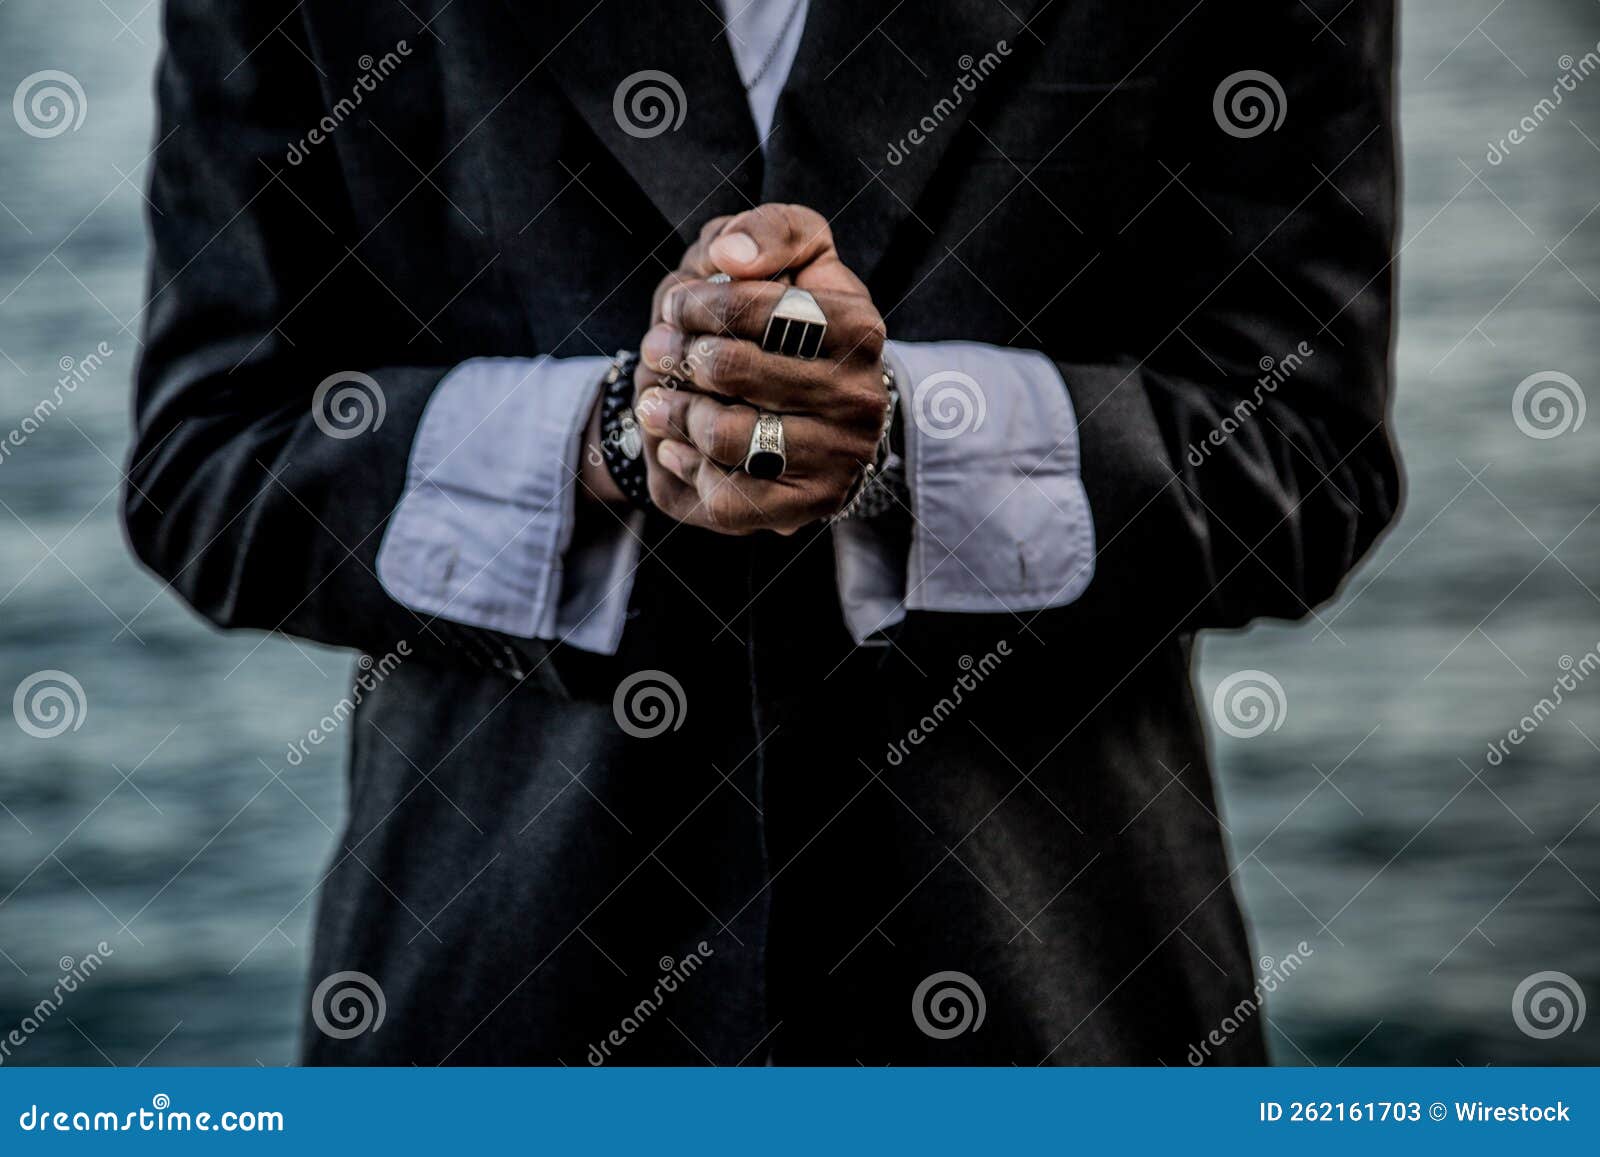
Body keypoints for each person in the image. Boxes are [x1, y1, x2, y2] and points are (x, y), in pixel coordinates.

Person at [124, 0, 1400, 1064]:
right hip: (500, 995)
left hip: (1055, 993)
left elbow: (1307, 450)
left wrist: (904, 431)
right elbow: (210, 457)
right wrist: (624, 431)